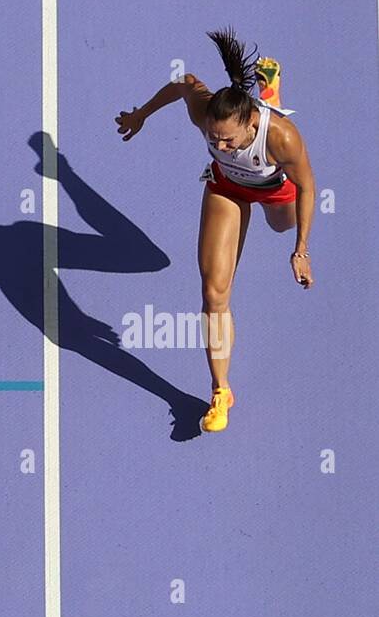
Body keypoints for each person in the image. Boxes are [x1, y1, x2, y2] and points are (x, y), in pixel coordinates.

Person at [115, 28, 315, 433]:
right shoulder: (206, 114)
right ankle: (220, 391)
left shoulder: (282, 138)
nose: (219, 145)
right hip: (227, 188)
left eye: (227, 140)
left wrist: (301, 249)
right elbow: (184, 84)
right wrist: (140, 115)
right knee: (213, 293)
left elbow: (309, 186)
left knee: (279, 227)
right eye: (214, 138)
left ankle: (269, 93)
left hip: (277, 189)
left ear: (250, 122)